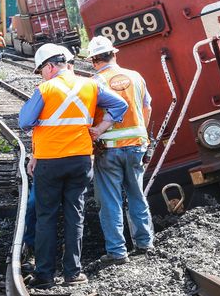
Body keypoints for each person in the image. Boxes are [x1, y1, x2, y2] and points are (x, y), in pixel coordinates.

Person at [18, 44, 128, 290]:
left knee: (46, 216)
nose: (41, 75)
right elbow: (120, 105)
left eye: (41, 71)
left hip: (50, 161)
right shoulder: (90, 84)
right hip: (80, 160)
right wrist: (99, 129)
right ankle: (72, 273)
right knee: (74, 215)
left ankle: (44, 275)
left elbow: (25, 121)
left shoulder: (45, 89)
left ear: (50, 67)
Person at [86, 36, 155, 266]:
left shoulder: (94, 82)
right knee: (137, 194)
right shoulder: (136, 76)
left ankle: (117, 252)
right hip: (136, 145)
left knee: (110, 200)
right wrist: (142, 134)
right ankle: (144, 243)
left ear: (94, 60)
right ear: (114, 54)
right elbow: (147, 107)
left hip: (108, 149)